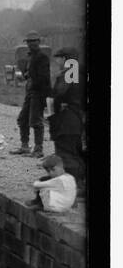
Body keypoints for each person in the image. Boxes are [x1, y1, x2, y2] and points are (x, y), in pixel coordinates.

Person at [11, 32, 51, 157]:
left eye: (34, 41)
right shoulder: (30, 57)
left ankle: (38, 149)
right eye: (29, 41)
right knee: (22, 119)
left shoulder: (42, 57)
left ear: (38, 42)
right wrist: (25, 74)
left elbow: (43, 78)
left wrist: (31, 78)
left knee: (36, 121)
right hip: (30, 92)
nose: (31, 43)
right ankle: (25, 146)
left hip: (38, 93)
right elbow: (29, 74)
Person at [48, 47, 84, 181]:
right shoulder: (79, 73)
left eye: (58, 59)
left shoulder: (70, 73)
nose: (57, 62)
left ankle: (74, 185)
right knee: (74, 153)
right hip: (75, 117)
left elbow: (59, 93)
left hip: (67, 119)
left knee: (67, 154)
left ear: (65, 58)